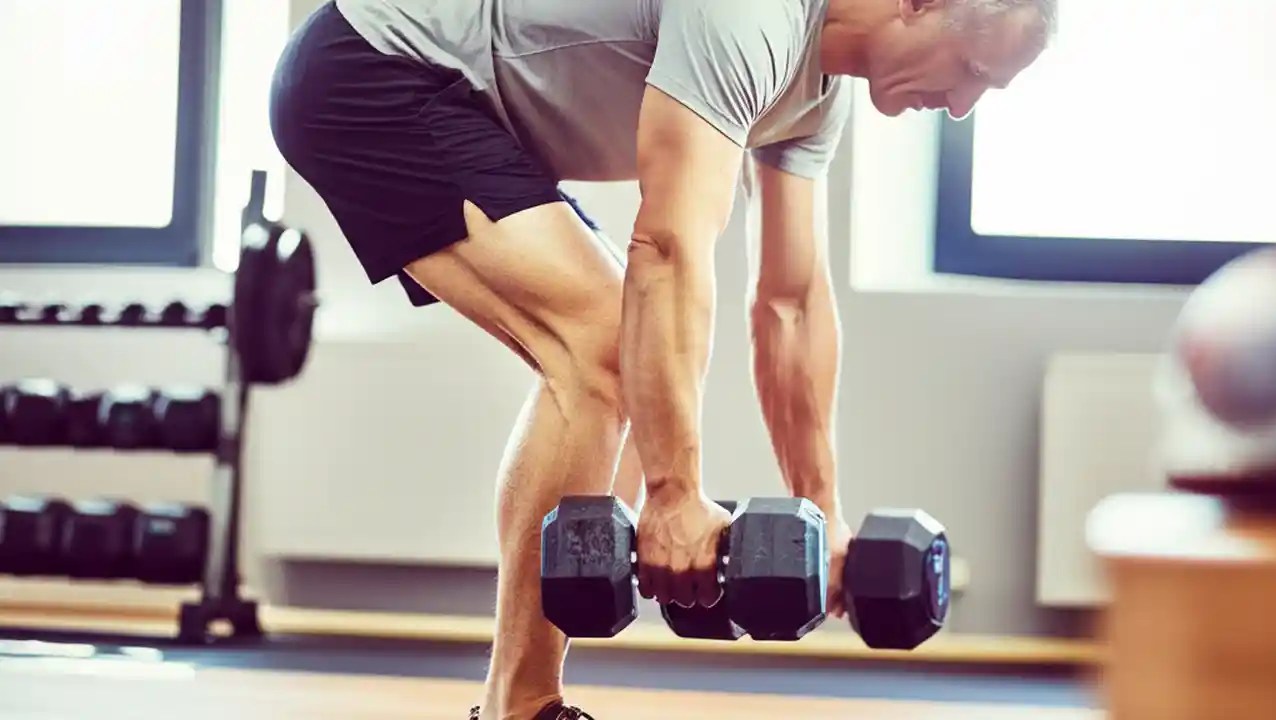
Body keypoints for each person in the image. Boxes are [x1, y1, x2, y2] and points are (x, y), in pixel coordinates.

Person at [268, 0, 1053, 717]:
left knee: (629, 349)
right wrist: (674, 495)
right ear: (920, 4)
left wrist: (824, 515)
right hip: (374, 69)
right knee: (611, 346)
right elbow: (670, 245)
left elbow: (791, 305)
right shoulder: (753, 18)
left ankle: (519, 700)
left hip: (464, 106)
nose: (959, 106)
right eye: (974, 73)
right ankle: (521, 706)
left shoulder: (816, 98)